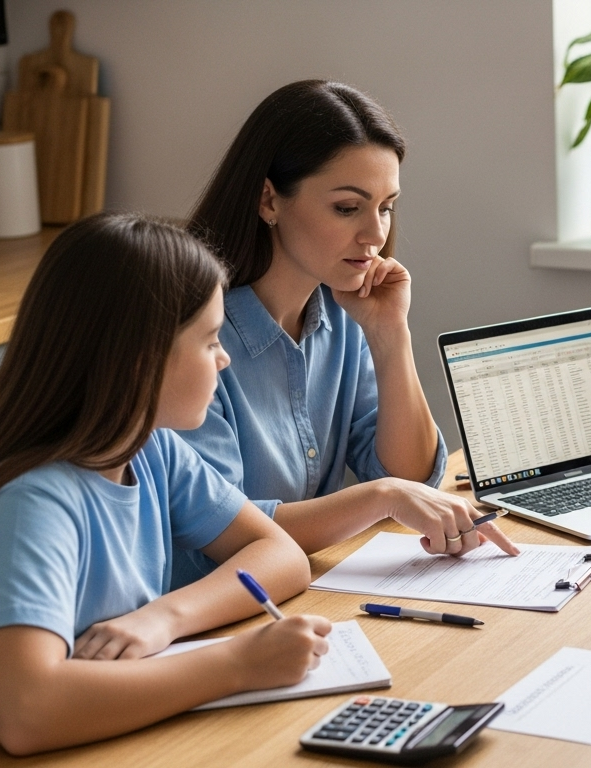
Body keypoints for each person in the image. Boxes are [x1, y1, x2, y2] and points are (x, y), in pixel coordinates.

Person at [0, 214, 330, 759]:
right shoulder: (34, 503)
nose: (223, 359)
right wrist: (237, 664)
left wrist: (162, 619)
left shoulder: (149, 448)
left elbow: (281, 553)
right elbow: (25, 713)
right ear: (141, 362)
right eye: (208, 342)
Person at [176, 80, 517, 588]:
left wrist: (389, 334)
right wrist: (381, 498)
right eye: (347, 207)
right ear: (268, 200)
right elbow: (222, 530)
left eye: (385, 206)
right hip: (210, 609)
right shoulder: (193, 339)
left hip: (301, 592)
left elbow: (412, 476)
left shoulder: (342, 315)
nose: (376, 234)